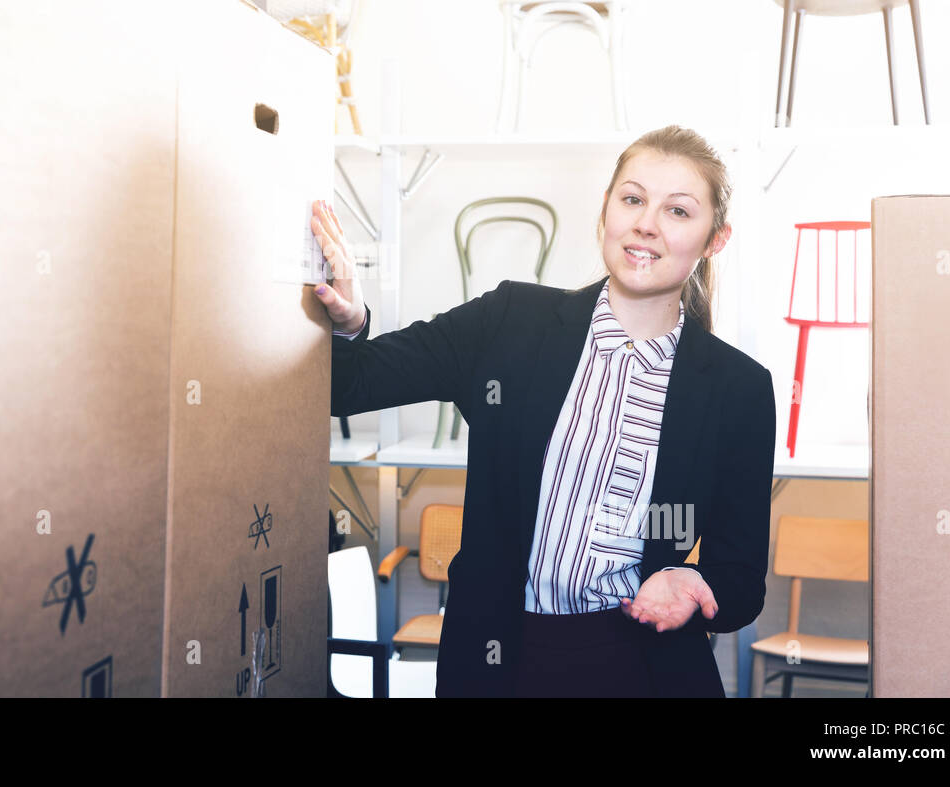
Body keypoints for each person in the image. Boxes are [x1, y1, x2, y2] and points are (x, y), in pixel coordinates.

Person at [311, 125, 777, 698]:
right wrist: (352, 316)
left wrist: (691, 580)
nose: (646, 224)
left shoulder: (739, 389)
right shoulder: (510, 323)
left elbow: (739, 583)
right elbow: (349, 386)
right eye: (632, 199)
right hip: (499, 662)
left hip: (644, 668)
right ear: (606, 208)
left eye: (678, 211)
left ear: (714, 239)